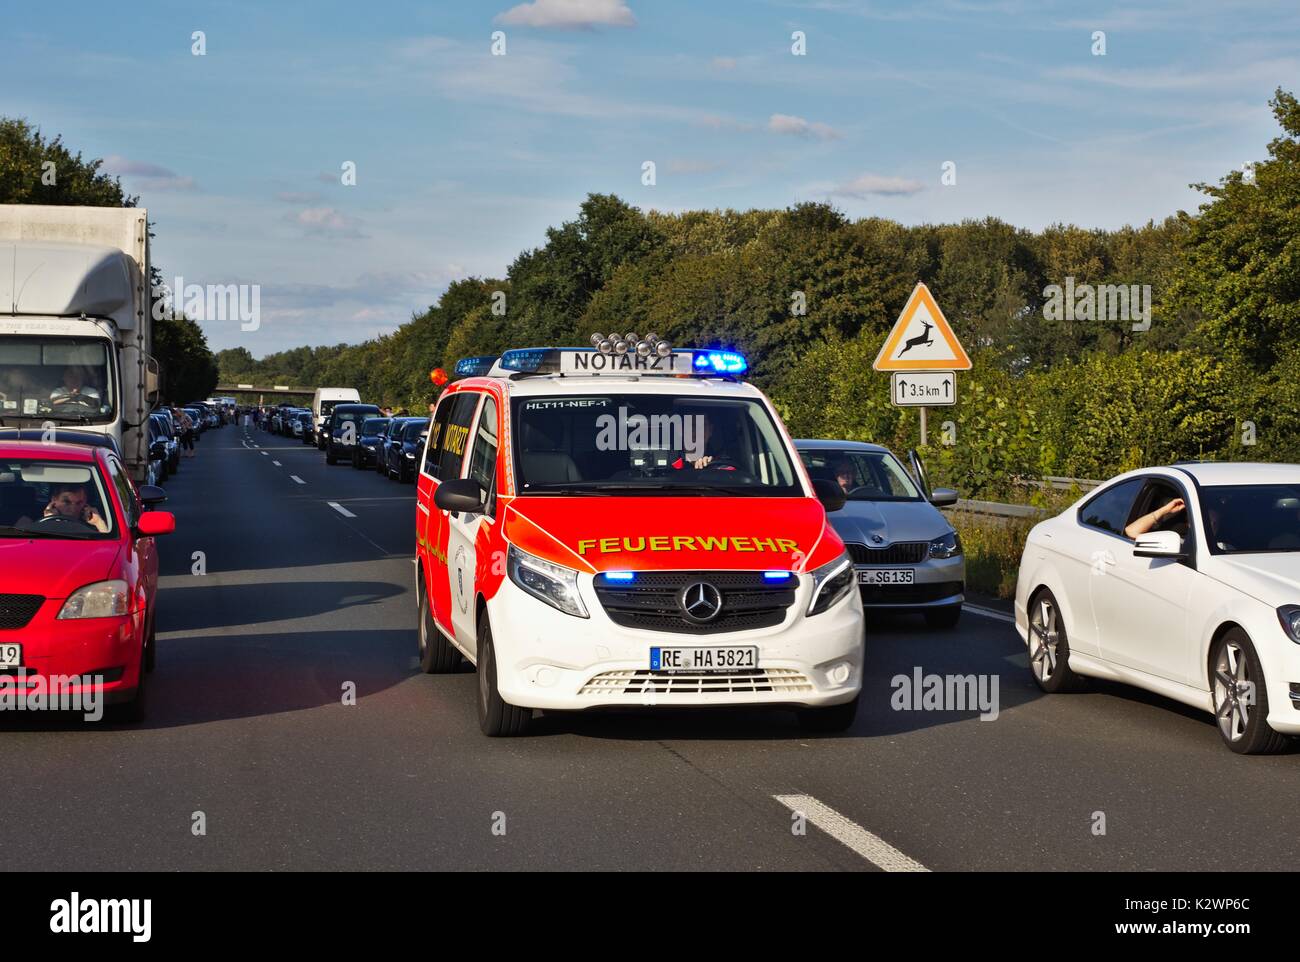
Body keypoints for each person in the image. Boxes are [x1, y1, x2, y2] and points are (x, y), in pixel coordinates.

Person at [21, 482, 110, 533]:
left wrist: (99, 522)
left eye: (79, 503)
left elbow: (110, 549)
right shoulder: (30, 519)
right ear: (54, 499)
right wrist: (50, 522)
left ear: (86, 503)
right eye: (67, 502)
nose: (73, 509)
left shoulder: (94, 523)